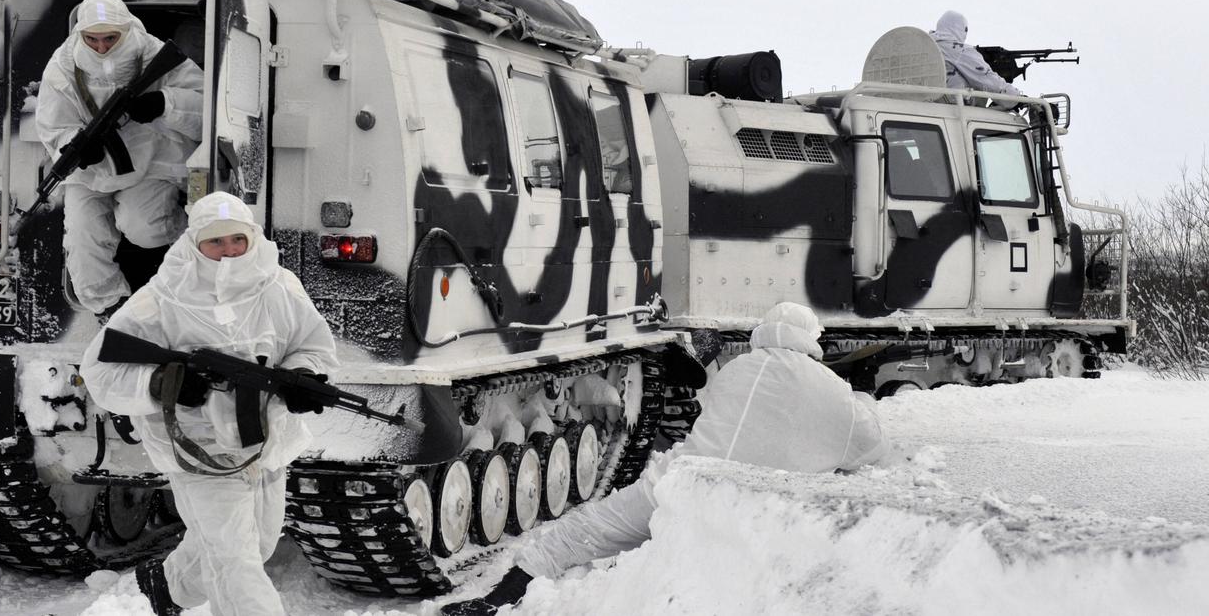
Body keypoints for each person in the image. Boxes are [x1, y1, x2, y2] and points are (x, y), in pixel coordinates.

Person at [442, 302, 888, 616]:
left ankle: (503, 594)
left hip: (683, 485)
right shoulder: (832, 391)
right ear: (812, 340)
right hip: (750, 509)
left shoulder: (738, 370)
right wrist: (854, 406)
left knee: (589, 529)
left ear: (764, 332)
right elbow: (873, 447)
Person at [80, 192, 338, 616]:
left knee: (257, 546)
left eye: (237, 239)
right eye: (215, 241)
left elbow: (311, 345)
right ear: (195, 243)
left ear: (252, 238)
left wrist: (304, 378)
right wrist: (162, 383)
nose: (229, 251)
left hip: (266, 445)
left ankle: (169, 586)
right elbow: (101, 370)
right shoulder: (163, 297)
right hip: (199, 451)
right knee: (236, 564)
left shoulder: (278, 285)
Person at [35, 0, 204, 317]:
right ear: (80, 33)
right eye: (92, 39)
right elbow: (52, 125)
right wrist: (73, 145)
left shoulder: (154, 54)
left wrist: (165, 103)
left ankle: (194, 244)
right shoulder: (63, 65)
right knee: (82, 242)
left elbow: (205, 105)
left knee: (145, 229)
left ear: (126, 30)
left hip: (151, 161)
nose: (101, 47)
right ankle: (112, 312)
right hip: (89, 174)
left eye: (110, 38)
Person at [929, 10, 1023, 98]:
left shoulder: (927, 44)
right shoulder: (960, 51)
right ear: (960, 29)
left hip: (925, 100)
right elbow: (987, 79)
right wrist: (1017, 98)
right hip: (953, 103)